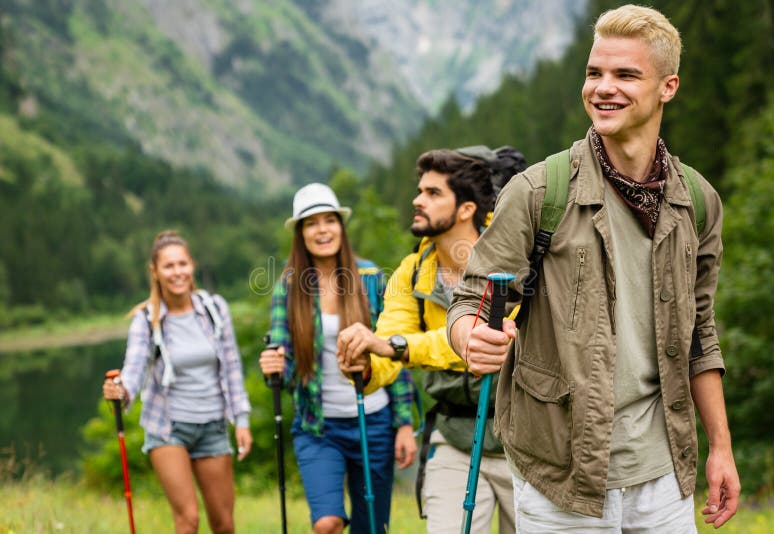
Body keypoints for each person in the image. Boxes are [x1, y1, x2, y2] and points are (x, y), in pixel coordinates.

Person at [447, 4, 741, 532]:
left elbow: (700, 335)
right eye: (594, 73)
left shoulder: (698, 200)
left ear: (667, 87)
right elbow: (471, 302)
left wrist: (720, 447)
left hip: (663, 473)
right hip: (560, 473)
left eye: (626, 74)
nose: (603, 88)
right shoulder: (540, 192)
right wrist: (470, 337)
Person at [337, 146, 527, 534]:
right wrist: (366, 364)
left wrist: (394, 347)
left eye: (432, 193)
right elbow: (391, 339)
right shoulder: (411, 271)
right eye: (420, 190)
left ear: (466, 209)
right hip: (454, 438)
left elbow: (476, 344)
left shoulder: (512, 258)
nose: (417, 200)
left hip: (526, 443)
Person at [258, 183, 417, 534]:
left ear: (341, 227)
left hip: (373, 421)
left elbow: (394, 350)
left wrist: (404, 423)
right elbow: (283, 364)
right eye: (312, 223)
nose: (322, 230)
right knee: (326, 523)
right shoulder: (288, 286)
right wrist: (273, 367)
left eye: (330, 220)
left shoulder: (370, 277)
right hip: (318, 426)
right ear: (301, 233)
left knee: (372, 527)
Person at [102, 230, 253, 534]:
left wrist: (243, 419)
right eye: (168, 266)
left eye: (182, 264)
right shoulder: (146, 319)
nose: (177, 272)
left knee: (224, 525)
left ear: (192, 266)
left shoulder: (214, 309)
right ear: (154, 271)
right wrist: (120, 392)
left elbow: (233, 366)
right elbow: (133, 369)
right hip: (168, 428)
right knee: (188, 520)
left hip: (213, 424)